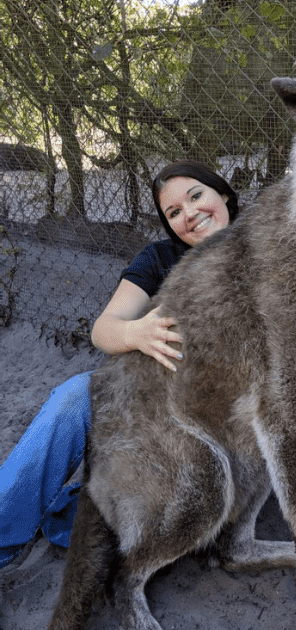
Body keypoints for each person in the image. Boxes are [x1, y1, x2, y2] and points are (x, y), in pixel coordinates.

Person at [0, 160, 240, 568]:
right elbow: (104, 328)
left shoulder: (270, 251)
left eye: (196, 196)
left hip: (225, 429)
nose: (190, 214)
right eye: (174, 212)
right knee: (77, 395)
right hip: (154, 404)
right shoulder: (162, 258)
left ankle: (81, 508)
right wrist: (135, 333)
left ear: (226, 197)